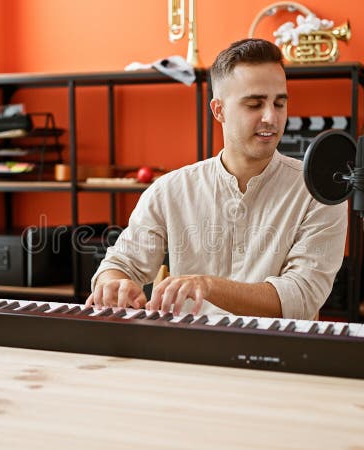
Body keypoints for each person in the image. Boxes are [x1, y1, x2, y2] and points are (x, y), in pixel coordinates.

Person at [86, 38, 347, 319]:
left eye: (279, 103)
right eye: (255, 104)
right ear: (218, 110)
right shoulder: (169, 190)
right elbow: (121, 263)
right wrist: (113, 284)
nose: (271, 117)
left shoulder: (319, 192)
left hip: (279, 355)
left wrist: (208, 286)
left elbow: (301, 297)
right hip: (188, 354)